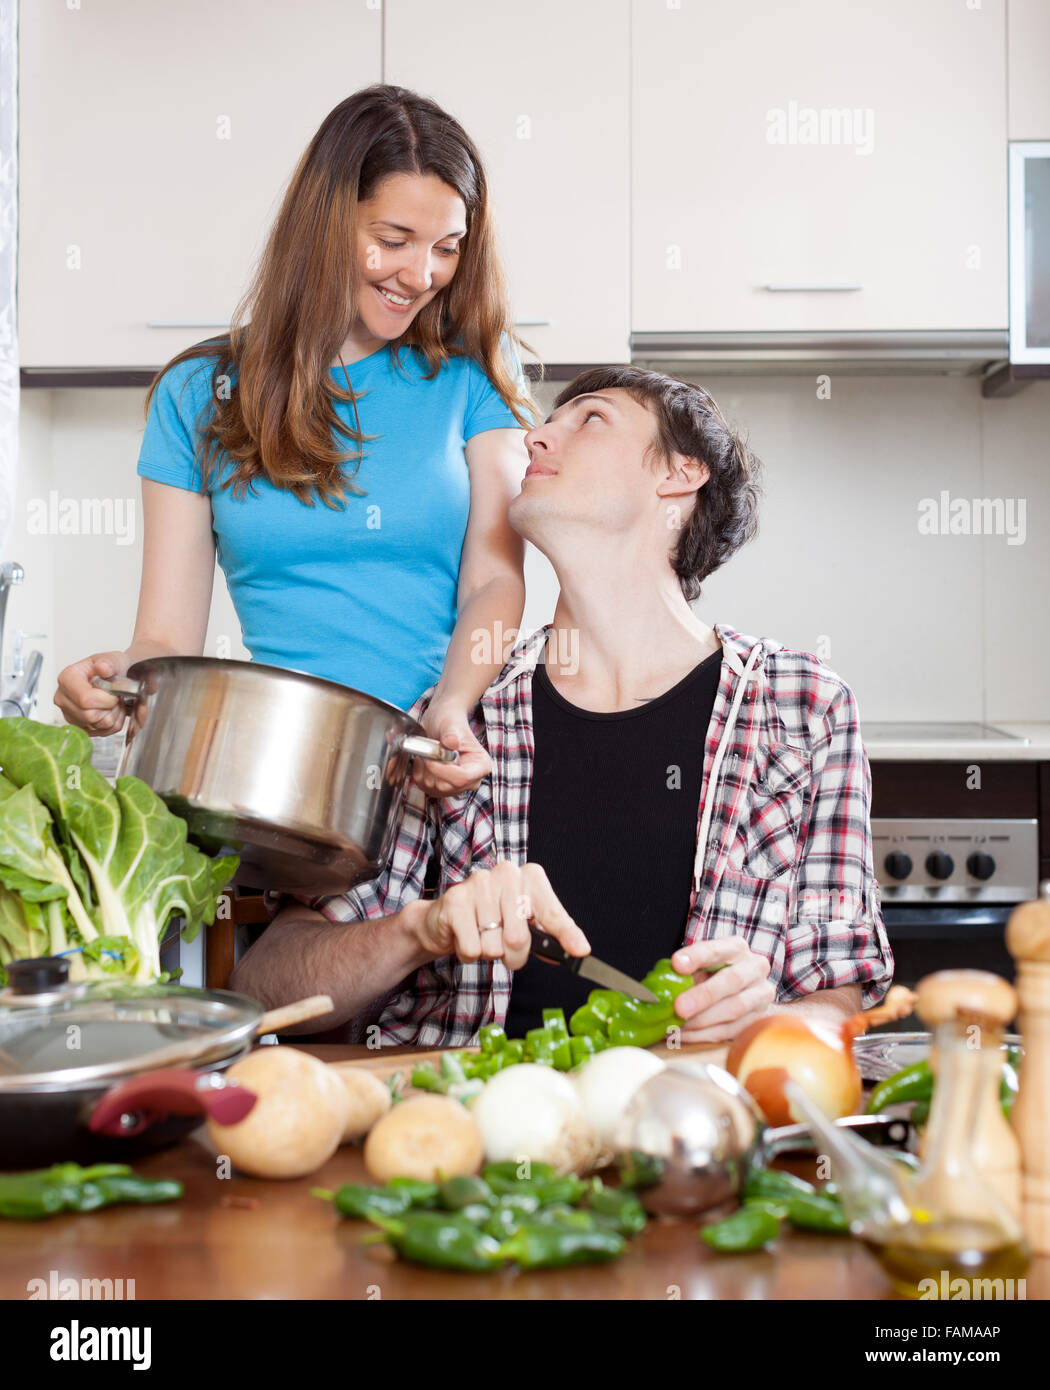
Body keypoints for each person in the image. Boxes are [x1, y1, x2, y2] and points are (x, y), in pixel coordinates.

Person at [231, 365, 894, 1043]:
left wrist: (773, 1019)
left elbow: (842, 997)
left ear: (679, 474)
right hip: (468, 1129)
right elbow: (266, 987)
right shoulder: (459, 719)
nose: (536, 439)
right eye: (546, 422)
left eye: (591, 419)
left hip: (696, 1130)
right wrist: (417, 930)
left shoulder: (804, 708)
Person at [53, 85, 536, 797]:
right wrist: (116, 686)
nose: (421, 274)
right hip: (282, 772)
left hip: (449, 746)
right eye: (393, 240)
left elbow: (494, 580)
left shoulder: (473, 375)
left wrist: (453, 708)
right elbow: (165, 637)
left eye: (447, 248)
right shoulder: (198, 394)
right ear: (324, 222)